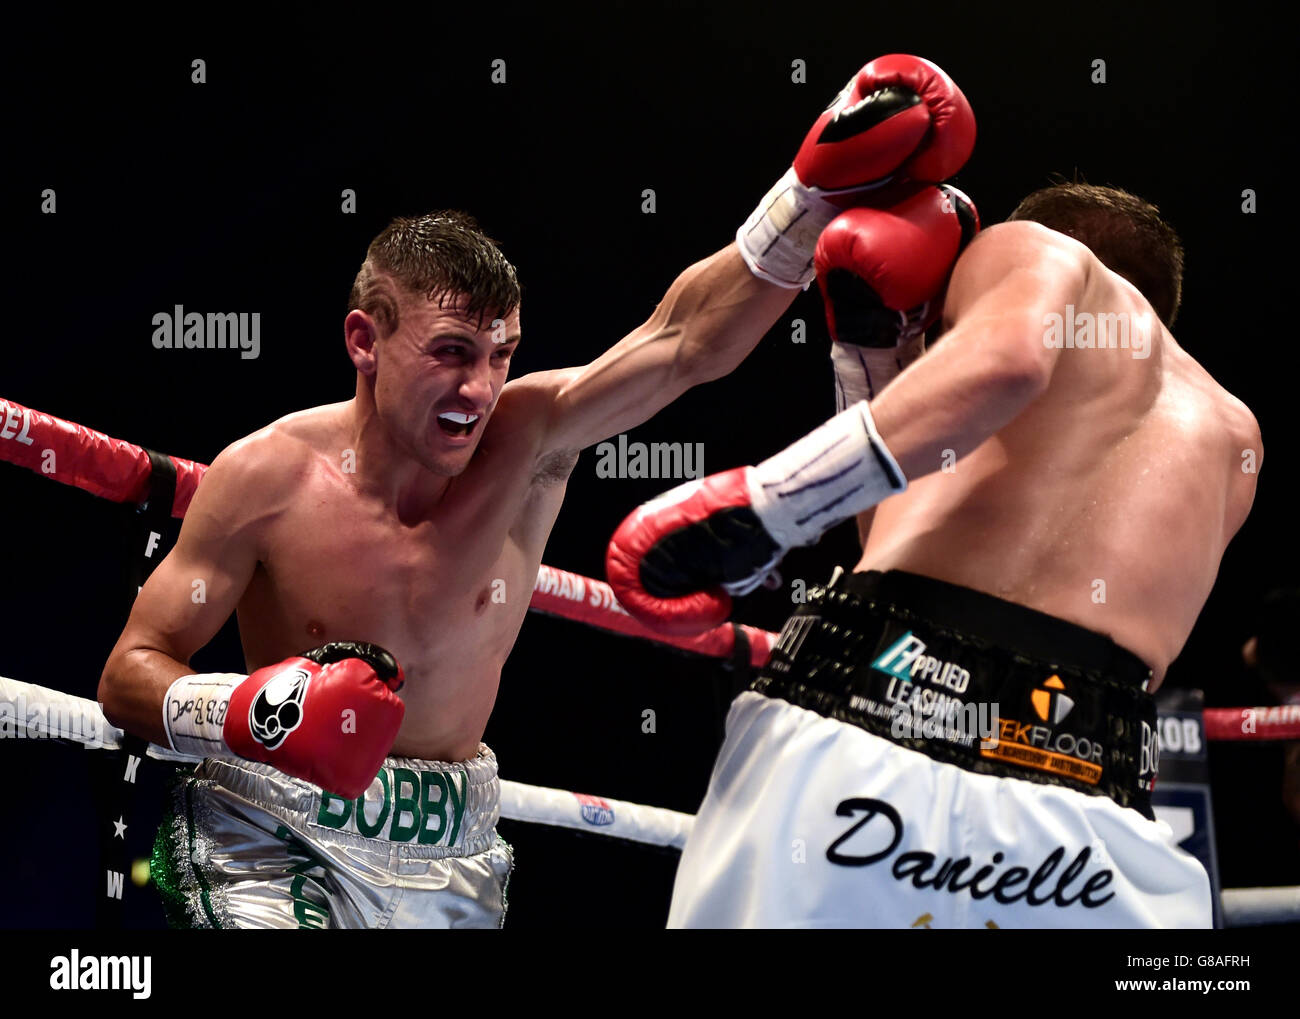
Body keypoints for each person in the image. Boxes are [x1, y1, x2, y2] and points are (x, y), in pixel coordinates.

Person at [97, 54, 976, 928]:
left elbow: (683, 343)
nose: (479, 389)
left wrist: (809, 194)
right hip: (276, 830)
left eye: (501, 354)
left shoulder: (529, 440)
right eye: (449, 351)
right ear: (364, 339)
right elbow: (131, 671)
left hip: (452, 849)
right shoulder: (267, 477)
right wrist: (253, 710)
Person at [608, 181, 1262, 928]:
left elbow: (1007, 363)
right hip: (1090, 808)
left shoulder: (1039, 254)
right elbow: (907, 535)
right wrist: (867, 355)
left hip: (860, 730)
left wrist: (771, 504)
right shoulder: (1235, 435)